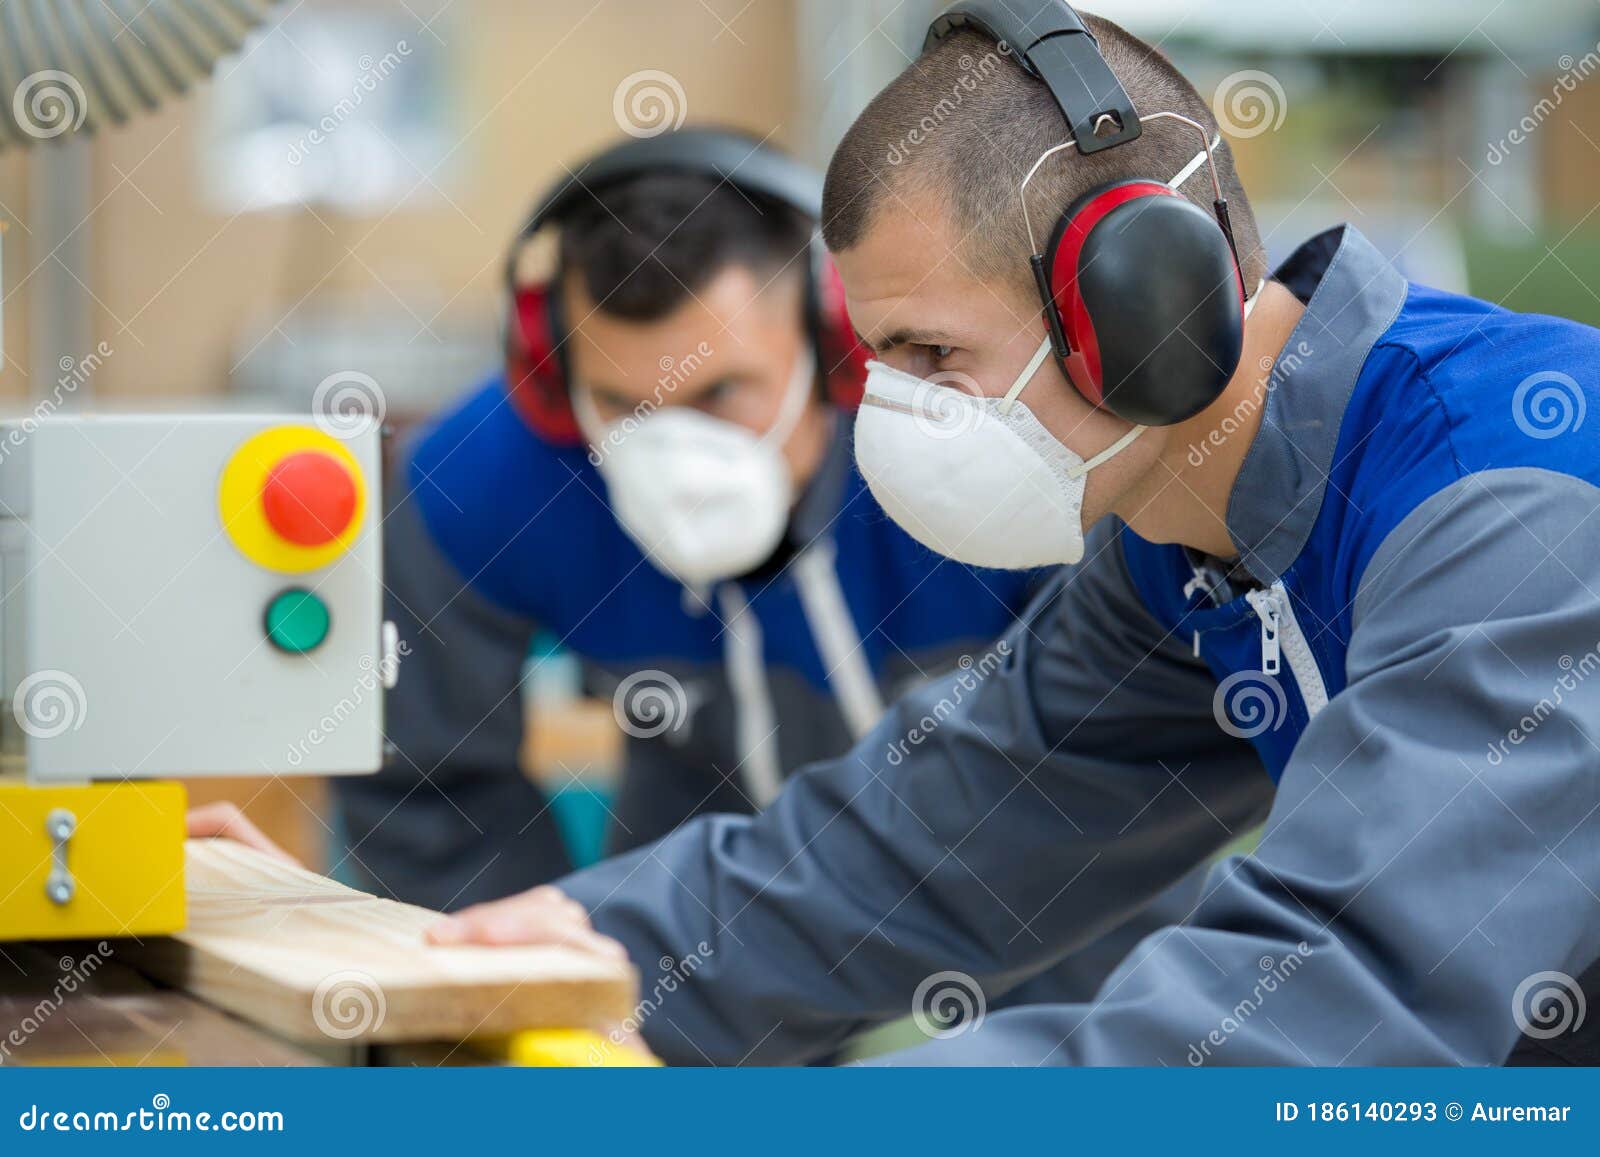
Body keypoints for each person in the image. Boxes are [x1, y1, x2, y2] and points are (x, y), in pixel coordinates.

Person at [429, 5, 1600, 1067]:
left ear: (1149, 304)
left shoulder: (1507, 494)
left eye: (932, 355)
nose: (890, 416)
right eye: (877, 358)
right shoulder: (1188, 551)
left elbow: (1328, 1000)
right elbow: (939, 832)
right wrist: (587, 950)